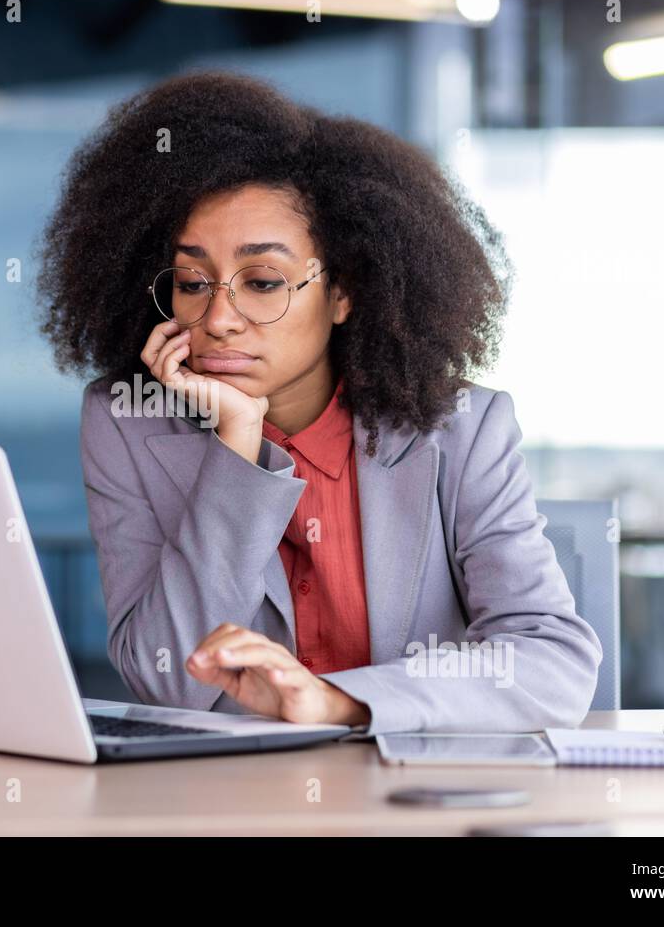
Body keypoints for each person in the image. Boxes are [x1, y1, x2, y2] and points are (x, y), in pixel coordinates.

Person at [37, 69, 602, 735]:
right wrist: (236, 446)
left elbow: (552, 663)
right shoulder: (128, 423)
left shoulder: (463, 430)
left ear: (342, 292)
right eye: (192, 282)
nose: (219, 318)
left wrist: (337, 701)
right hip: (232, 791)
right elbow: (166, 677)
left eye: (263, 281)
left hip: (413, 787)